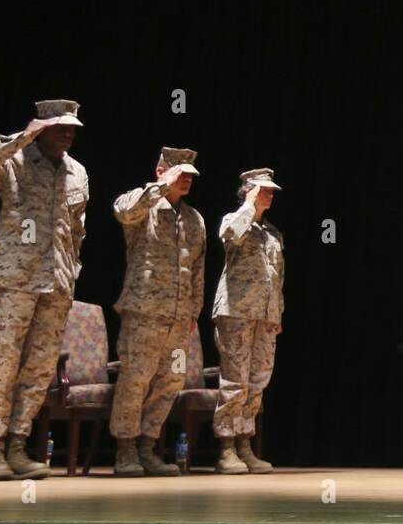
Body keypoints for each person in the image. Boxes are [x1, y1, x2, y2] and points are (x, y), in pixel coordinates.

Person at [0, 99, 88, 481]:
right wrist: (19, 139)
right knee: (5, 362)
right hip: (16, 277)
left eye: (72, 127)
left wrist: (73, 268)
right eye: (60, 126)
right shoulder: (14, 160)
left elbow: (78, 227)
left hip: (58, 281)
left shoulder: (78, 172)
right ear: (40, 127)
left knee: (40, 367)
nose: (68, 132)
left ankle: (17, 444)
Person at [110, 148, 206, 477]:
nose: (188, 180)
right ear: (161, 171)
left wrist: (194, 311)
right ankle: (125, 450)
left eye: (191, 175)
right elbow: (123, 211)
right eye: (181, 174)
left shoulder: (195, 219)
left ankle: (146, 447)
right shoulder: (143, 206)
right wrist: (161, 187)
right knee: (135, 379)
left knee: (170, 381)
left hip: (180, 319)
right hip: (145, 312)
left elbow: (197, 270)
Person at [211, 168, 285, 475]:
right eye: (262, 190)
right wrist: (249, 206)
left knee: (257, 382)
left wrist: (277, 314)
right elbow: (230, 236)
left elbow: (277, 278)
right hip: (236, 312)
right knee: (235, 380)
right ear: (247, 192)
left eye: (270, 191)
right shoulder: (234, 220)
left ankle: (245, 444)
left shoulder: (273, 233)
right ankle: (227, 448)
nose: (269, 194)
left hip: (265, 317)